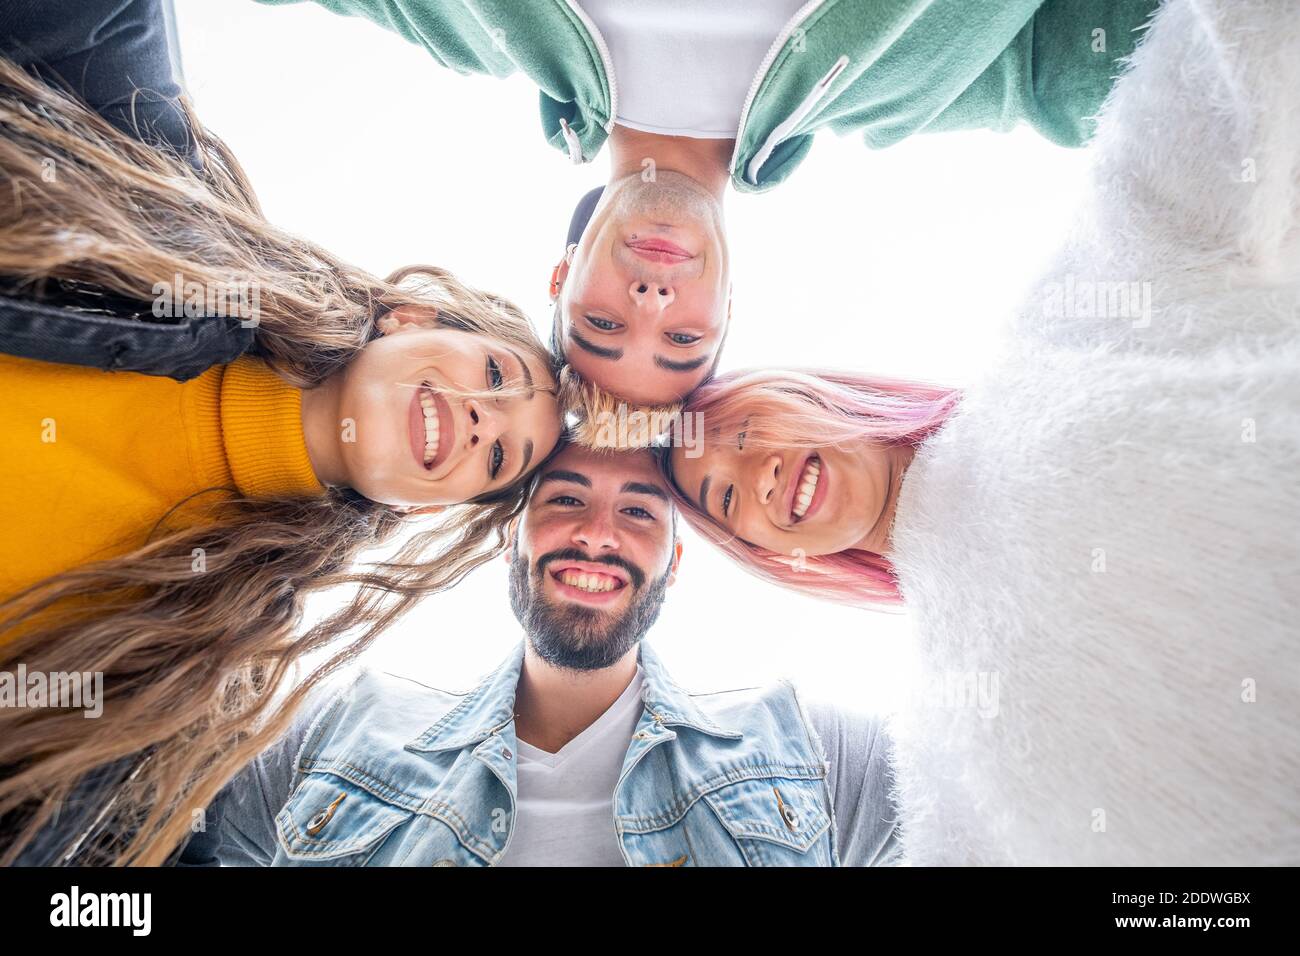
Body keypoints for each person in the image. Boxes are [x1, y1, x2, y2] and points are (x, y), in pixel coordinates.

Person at [663, 0, 1300, 863]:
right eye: (728, 498)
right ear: (781, 555)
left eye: (742, 433)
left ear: (814, 392)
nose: (760, 475)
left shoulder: (1062, 334)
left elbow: (1223, 86)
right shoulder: (944, 738)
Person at [0, 0, 562, 865]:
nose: (485, 418)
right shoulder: (155, 197)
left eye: (498, 456)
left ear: (422, 508)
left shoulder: (193, 678)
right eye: (495, 375)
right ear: (409, 317)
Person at [257, 0, 1160, 422]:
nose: (650, 303)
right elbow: (1132, 59)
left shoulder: (480, 25)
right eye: (683, 338)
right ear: (730, 309)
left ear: (562, 276)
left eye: (602, 321)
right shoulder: (911, 89)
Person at [178, 444, 903, 866]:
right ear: (509, 543)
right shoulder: (333, 736)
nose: (597, 534)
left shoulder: (818, 755)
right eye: (564, 500)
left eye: (639, 511)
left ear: (676, 563)